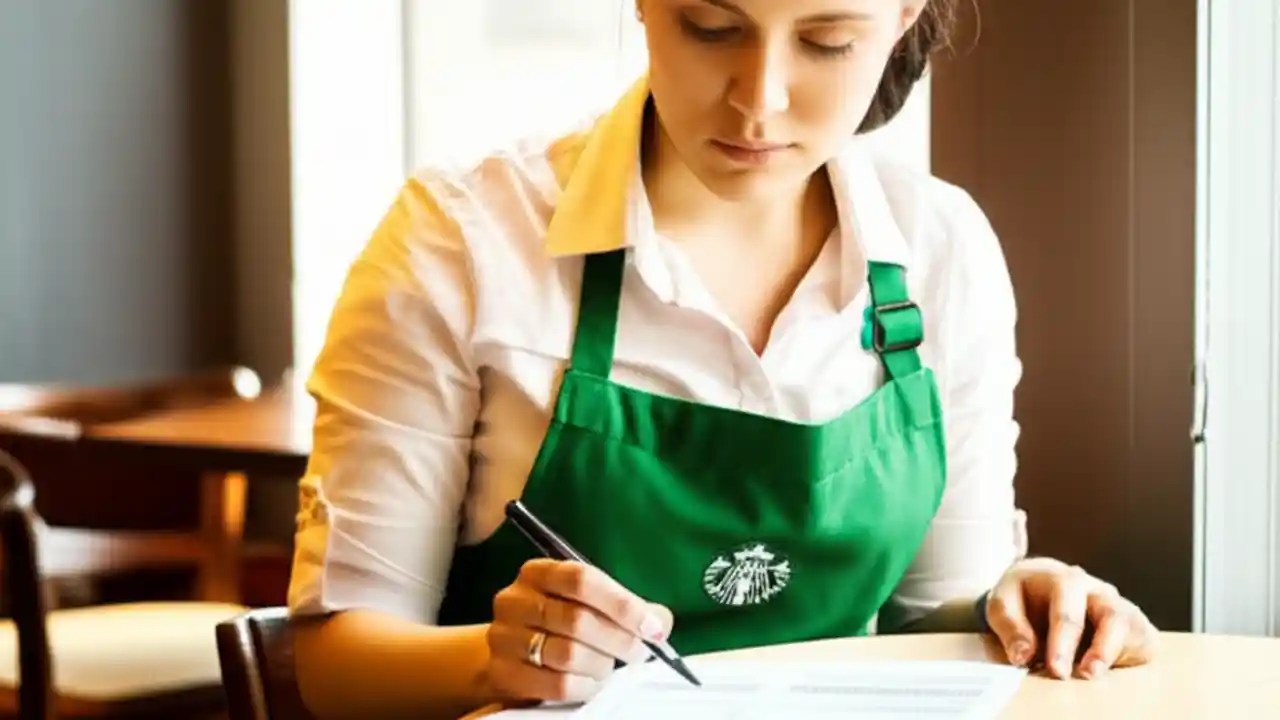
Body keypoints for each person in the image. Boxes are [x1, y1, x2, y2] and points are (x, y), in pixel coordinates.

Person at [287, 1, 1159, 717]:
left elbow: (940, 614)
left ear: (902, 18)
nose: (759, 100)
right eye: (711, 27)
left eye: (827, 42)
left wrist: (1025, 599)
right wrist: (493, 659)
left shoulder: (940, 248)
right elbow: (335, 665)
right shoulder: (463, 245)